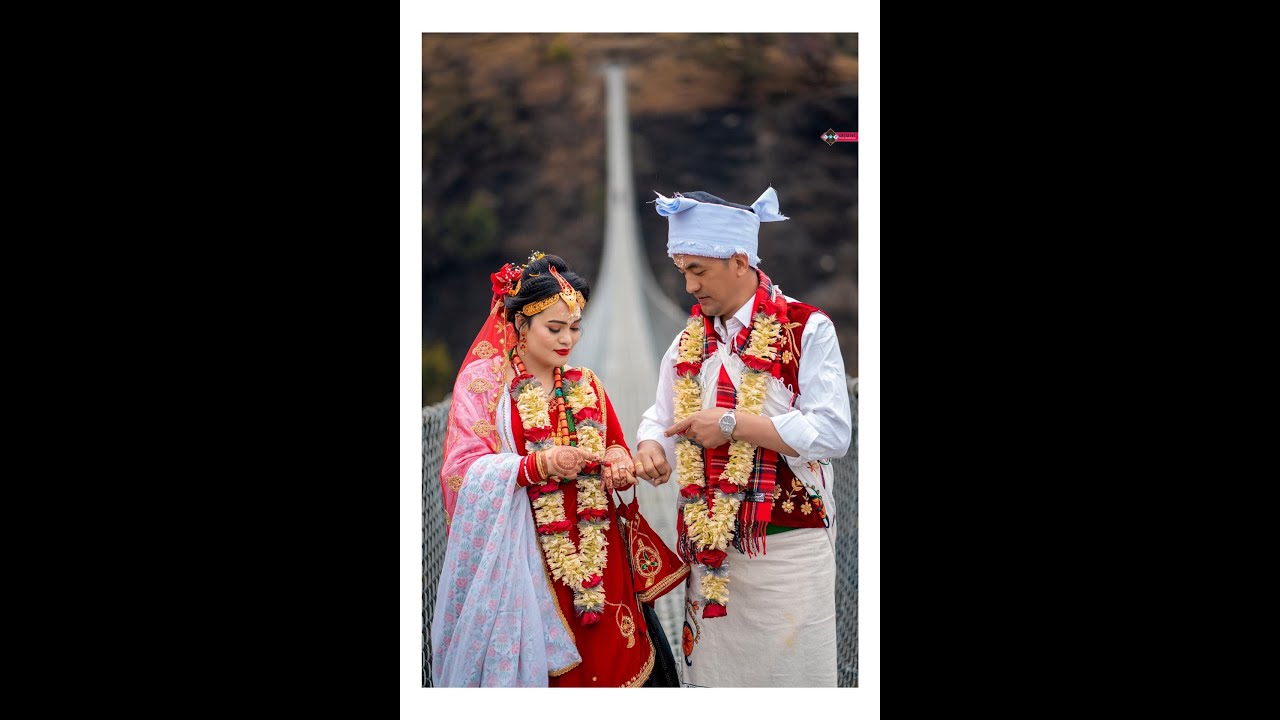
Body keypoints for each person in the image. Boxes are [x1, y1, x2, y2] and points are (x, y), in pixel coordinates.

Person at [431, 252, 685, 687]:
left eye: (574, 328)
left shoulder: (587, 384)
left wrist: (620, 467)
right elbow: (461, 471)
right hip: (530, 559)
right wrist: (537, 465)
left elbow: (615, 448)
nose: (567, 339)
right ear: (519, 328)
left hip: (600, 552)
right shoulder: (489, 389)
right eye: (554, 328)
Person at [633, 188, 853, 687]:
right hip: (710, 551)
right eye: (682, 271)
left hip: (788, 550)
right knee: (714, 683)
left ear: (738, 261)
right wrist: (651, 447)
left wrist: (735, 423)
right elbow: (661, 414)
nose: (688, 286)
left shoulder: (806, 329)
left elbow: (834, 432)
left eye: (698, 271)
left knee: (793, 683)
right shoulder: (689, 340)